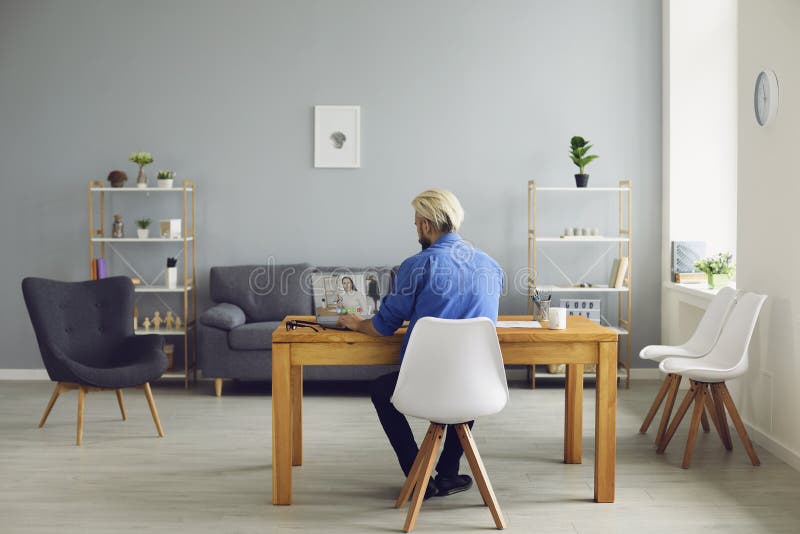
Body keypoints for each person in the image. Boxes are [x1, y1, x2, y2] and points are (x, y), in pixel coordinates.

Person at [338, 189, 503, 500]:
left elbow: (384, 326)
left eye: (416, 224)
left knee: (382, 390)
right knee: (466, 374)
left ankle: (419, 478)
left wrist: (357, 323)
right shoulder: (491, 266)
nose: (416, 231)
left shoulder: (417, 265)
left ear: (427, 224)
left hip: (426, 386)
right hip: (478, 386)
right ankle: (449, 474)